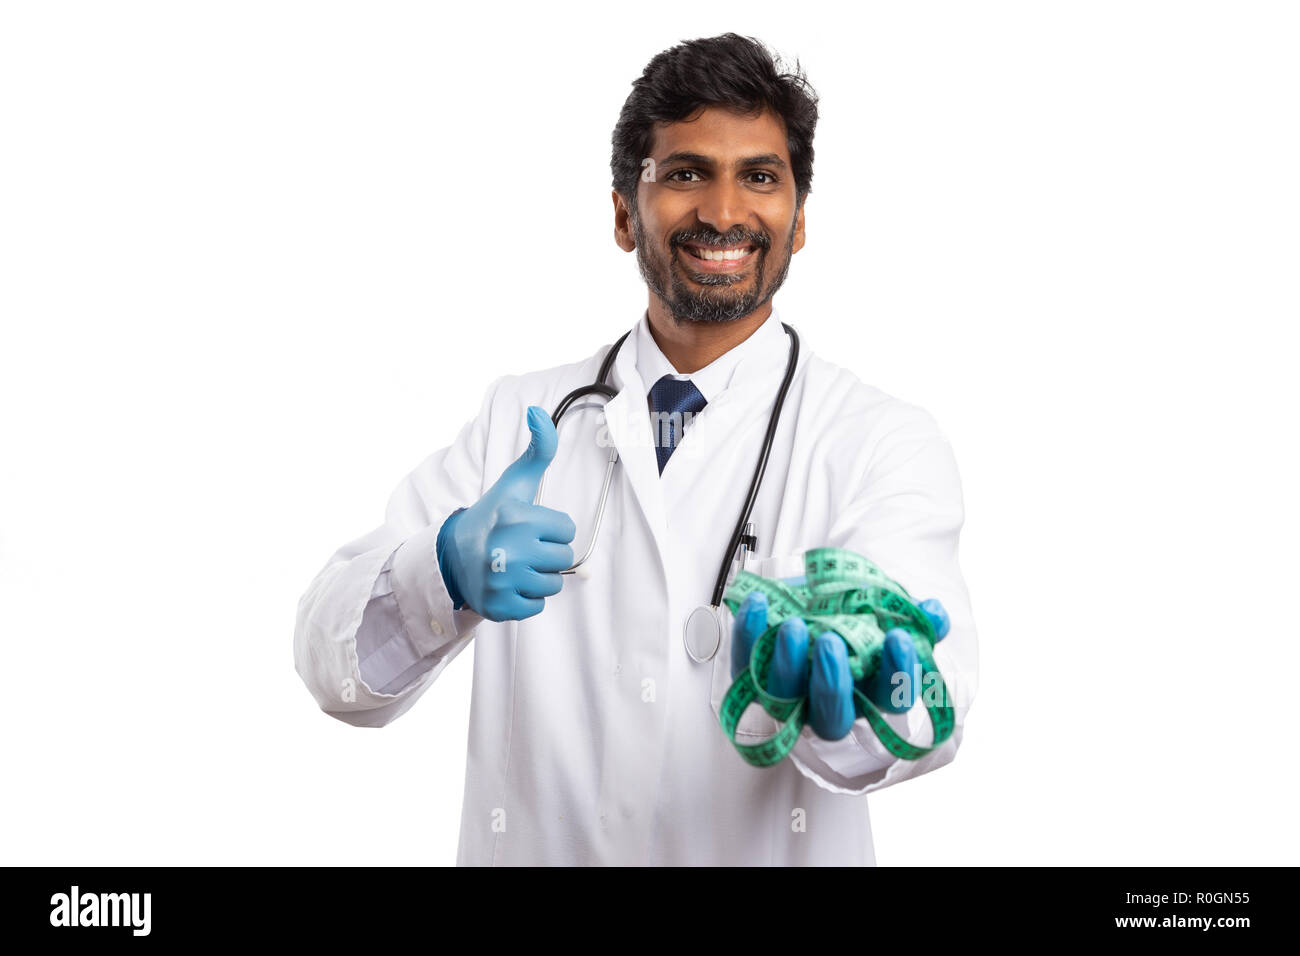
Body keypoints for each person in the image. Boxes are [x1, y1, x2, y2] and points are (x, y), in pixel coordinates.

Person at [293, 32, 978, 866]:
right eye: (685, 173)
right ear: (625, 213)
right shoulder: (523, 419)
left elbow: (916, 716)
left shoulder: (878, 441)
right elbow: (336, 670)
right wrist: (441, 570)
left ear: (797, 222)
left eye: (759, 176)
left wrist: (857, 695)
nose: (724, 212)